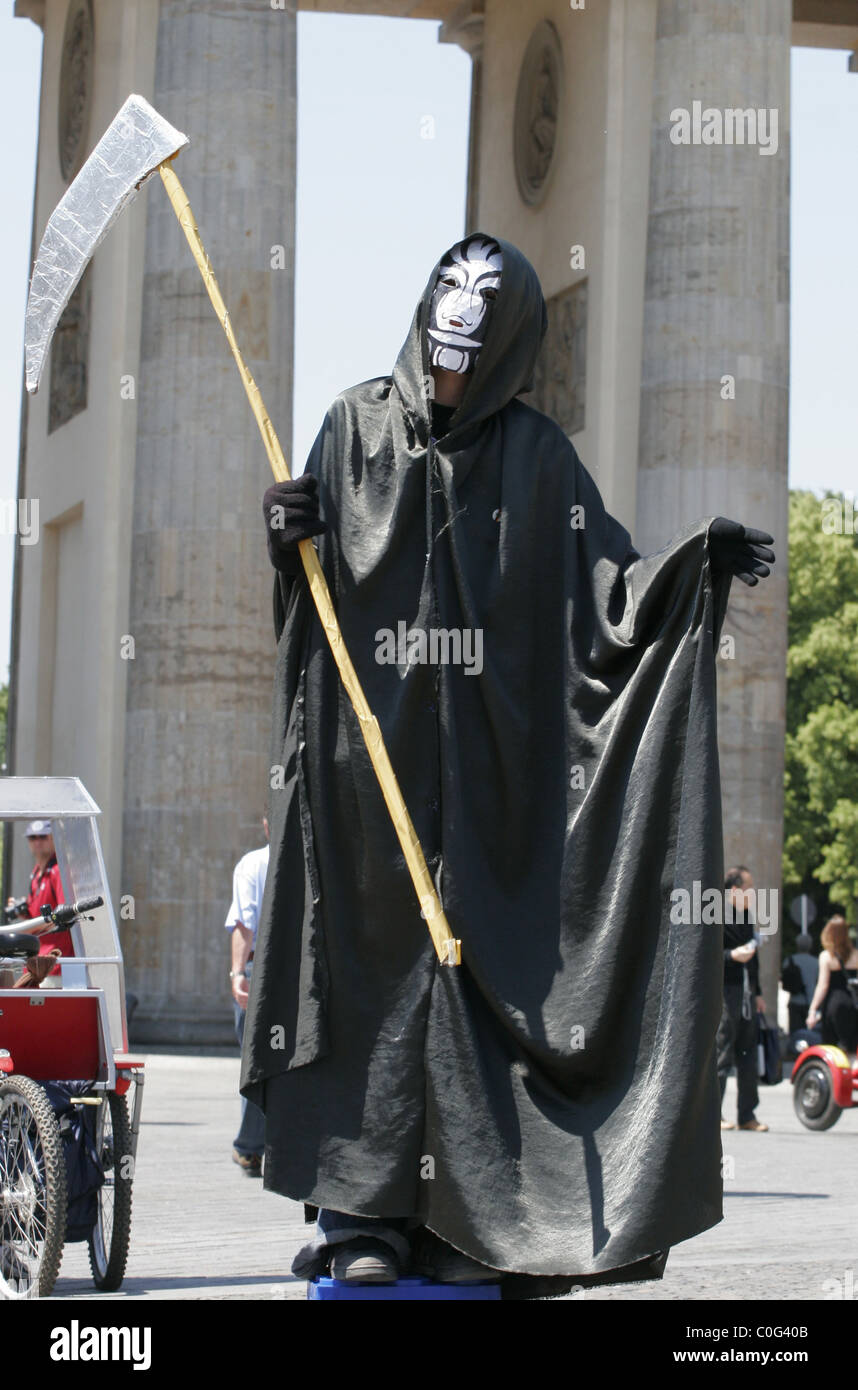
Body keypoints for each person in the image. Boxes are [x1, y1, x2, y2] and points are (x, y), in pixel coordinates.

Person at [241, 233, 775, 1294]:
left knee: (499, 977)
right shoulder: (353, 427)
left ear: (509, 339)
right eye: (451, 289)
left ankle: (483, 1219)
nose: (460, 320)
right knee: (374, 979)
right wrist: (283, 538)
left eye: (485, 306)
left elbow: (606, 607)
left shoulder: (539, 459)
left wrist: (685, 578)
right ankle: (365, 1205)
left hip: (491, 791)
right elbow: (311, 606)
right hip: (371, 780)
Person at [226, 818, 270, 1175]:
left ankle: (251, 1148)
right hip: (304, 969)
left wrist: (239, 972)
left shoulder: (253, 864)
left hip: (262, 970)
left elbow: (245, 921)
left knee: (256, 1059)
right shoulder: (312, 859)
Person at [717, 865, 768, 1133]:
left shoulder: (746, 915)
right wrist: (731, 957)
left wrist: (758, 992)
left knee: (748, 1055)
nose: (753, 892)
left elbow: (754, 955)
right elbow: (707, 955)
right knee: (722, 1053)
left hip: (747, 993)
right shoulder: (717, 915)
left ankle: (747, 1115)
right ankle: (715, 1115)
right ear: (735, 890)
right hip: (727, 991)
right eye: (749, 887)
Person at [6, 819, 68, 984]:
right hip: (36, 961)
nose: (37, 842)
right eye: (32, 838)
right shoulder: (35, 874)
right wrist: (24, 913)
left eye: (43, 837)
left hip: (55, 963)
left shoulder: (57, 871)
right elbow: (37, 917)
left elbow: (63, 916)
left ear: (53, 839)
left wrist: (30, 925)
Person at [806, 916, 858, 1061]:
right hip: (853, 1004)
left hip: (833, 1004)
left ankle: (838, 1080)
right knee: (852, 1048)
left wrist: (812, 1010)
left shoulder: (826, 957)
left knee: (833, 1050)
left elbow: (823, 986)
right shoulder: (856, 955)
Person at [781, 932, 818, 1035]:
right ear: (810, 946)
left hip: (794, 1001)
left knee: (795, 1033)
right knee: (812, 1034)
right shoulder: (816, 962)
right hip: (811, 1003)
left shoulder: (789, 960)